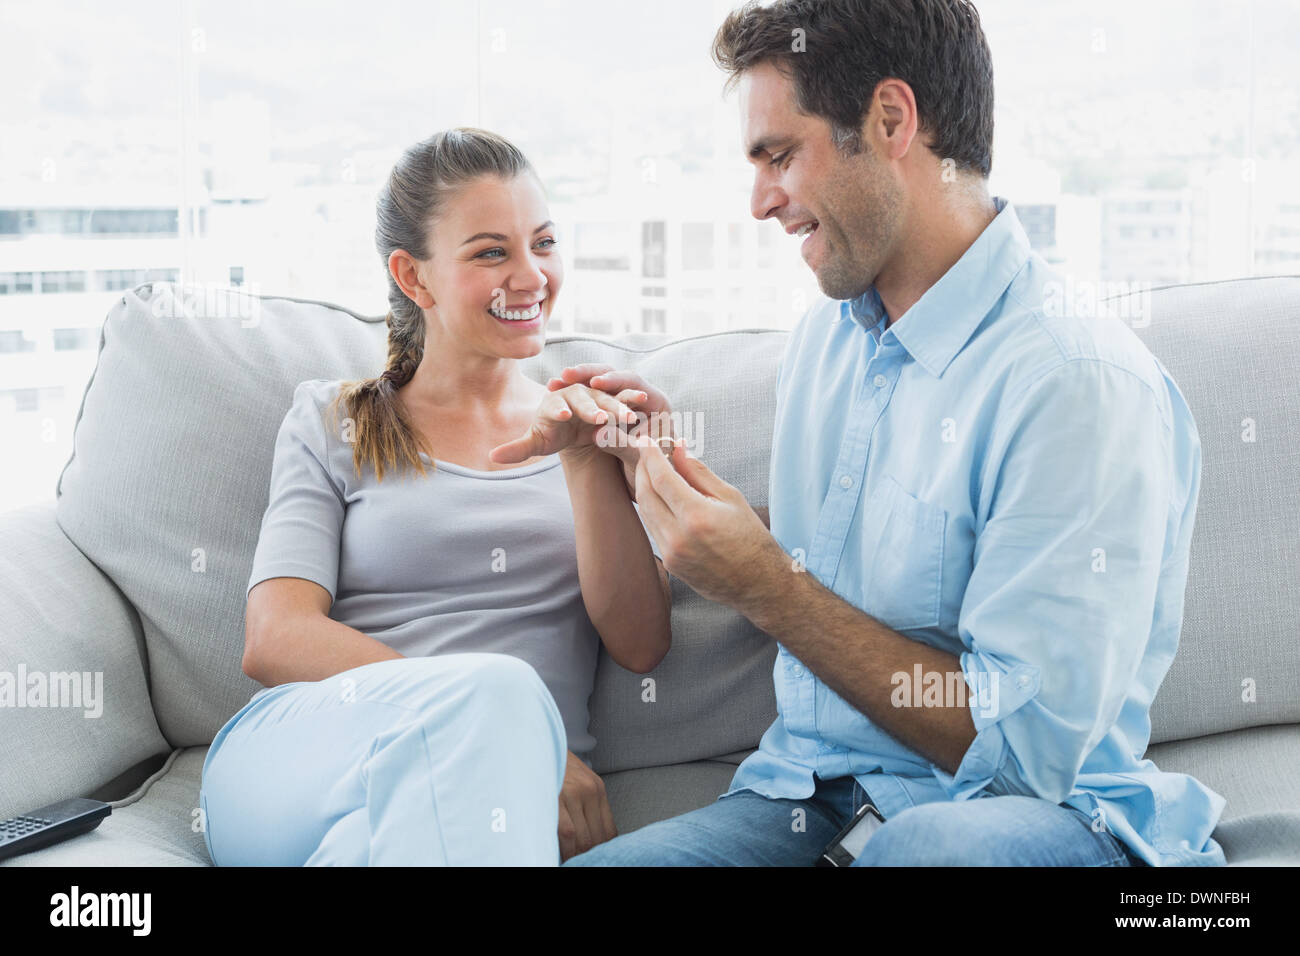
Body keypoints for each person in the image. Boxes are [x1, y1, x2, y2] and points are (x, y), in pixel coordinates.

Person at [565, 0, 1226, 866]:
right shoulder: (825, 343)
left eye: (779, 155)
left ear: (889, 121)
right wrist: (656, 471)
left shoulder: (1075, 382)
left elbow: (1023, 757)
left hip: (1019, 817)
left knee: (926, 853)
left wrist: (770, 586)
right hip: (806, 799)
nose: (762, 201)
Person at [199, 127, 673, 866]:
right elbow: (276, 637)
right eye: (492, 252)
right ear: (413, 278)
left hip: (468, 809)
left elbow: (642, 646)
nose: (532, 276)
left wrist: (586, 465)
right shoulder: (336, 420)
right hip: (299, 761)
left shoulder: (581, 428)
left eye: (543, 244)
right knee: (500, 695)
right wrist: (514, 740)